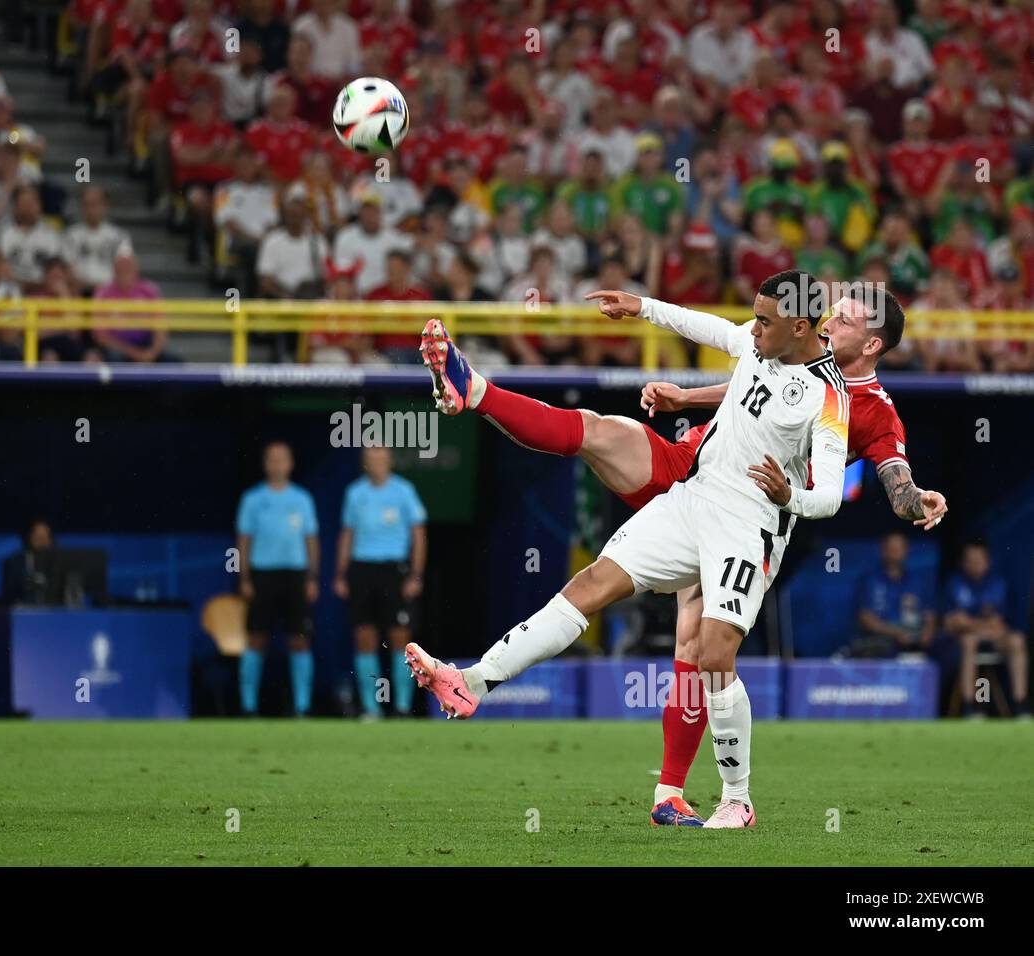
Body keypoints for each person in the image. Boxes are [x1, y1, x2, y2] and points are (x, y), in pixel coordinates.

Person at [412, 281, 946, 827]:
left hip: (751, 519)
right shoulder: (773, 343)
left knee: (701, 650)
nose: (834, 320)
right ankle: (473, 678)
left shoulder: (852, 403)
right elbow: (733, 353)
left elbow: (881, 484)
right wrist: (659, 343)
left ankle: (707, 795)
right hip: (689, 477)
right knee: (601, 444)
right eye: (833, 311)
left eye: (849, 319)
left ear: (872, 344)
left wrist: (906, 500)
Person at [333, 447, 427, 719]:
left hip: (394, 570)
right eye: (371, 460)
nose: (376, 464)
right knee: (365, 638)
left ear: (390, 461)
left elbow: (418, 535)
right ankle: (372, 707)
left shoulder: (404, 491)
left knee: (401, 639)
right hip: (362, 570)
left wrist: (415, 574)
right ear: (365, 464)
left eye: (381, 459)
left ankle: (401, 707)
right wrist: (340, 574)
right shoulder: (354, 493)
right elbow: (347, 535)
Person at [236, 441, 319, 717]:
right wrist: (245, 577)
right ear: (265, 464)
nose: (277, 464)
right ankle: (248, 707)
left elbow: (311, 540)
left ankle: (302, 707)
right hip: (262, 575)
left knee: (299, 639)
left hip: (295, 575)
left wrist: (311, 577)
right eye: (272, 459)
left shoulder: (302, 499)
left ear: (291, 464)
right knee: (256, 638)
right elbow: (244, 540)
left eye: (282, 459)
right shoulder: (252, 499)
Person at [942, 541, 1029, 719]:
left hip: (994, 639)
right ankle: (970, 706)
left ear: (988, 562)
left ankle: (1020, 703)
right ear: (963, 563)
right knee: (969, 640)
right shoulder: (954, 583)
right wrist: (980, 626)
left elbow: (1000, 624)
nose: (975, 564)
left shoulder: (997, 583)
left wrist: (970, 624)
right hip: (959, 645)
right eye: (970, 560)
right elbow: (950, 623)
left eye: (979, 560)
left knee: (1017, 640)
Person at [854, 532, 935, 657]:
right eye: (891, 549)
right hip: (881, 641)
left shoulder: (918, 581)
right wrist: (896, 633)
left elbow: (929, 615)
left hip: (914, 641)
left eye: (898, 549)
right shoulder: (869, 580)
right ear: (882, 551)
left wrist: (927, 633)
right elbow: (865, 618)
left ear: (906, 551)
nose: (894, 553)